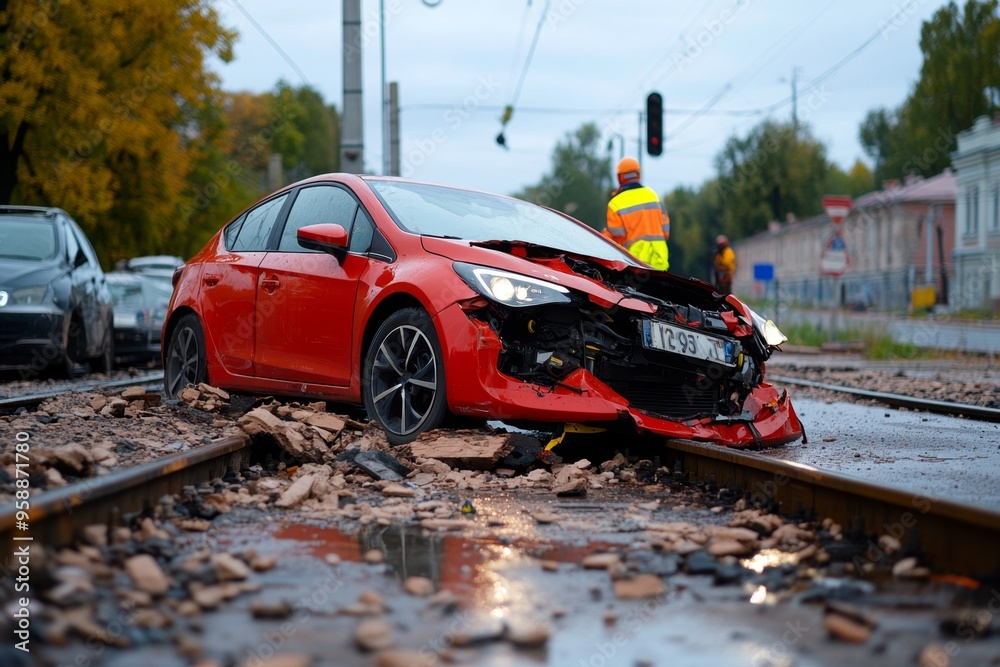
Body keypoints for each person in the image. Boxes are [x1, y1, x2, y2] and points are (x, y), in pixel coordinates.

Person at [604, 157, 669, 271]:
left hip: (633, 264)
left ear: (620, 177)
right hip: (659, 263)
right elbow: (665, 233)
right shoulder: (653, 196)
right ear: (638, 174)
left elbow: (616, 239)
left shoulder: (615, 203)